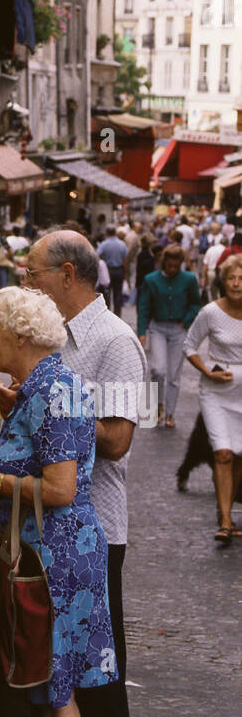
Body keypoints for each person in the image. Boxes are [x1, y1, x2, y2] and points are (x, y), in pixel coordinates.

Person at [0, 229, 146, 717]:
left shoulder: (114, 341)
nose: (26, 283)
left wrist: (60, 412)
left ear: (66, 274)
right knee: (54, 662)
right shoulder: (55, 339)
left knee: (96, 671)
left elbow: (117, 440)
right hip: (50, 529)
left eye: (32, 273)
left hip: (95, 529)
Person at [0, 287, 116, 717]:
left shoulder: (54, 389)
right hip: (53, 552)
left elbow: (60, 489)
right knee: (51, 687)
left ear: (22, 337)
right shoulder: (39, 386)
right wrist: (13, 414)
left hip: (57, 558)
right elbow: (40, 451)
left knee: (57, 691)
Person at [183, 257, 242, 544]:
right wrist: (207, 371)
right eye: (232, 278)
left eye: (241, 278)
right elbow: (189, 345)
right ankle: (226, 522)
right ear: (223, 281)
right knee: (223, 452)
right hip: (216, 391)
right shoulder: (210, 312)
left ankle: (226, 511)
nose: (237, 283)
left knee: (239, 454)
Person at [137, 243, 201, 428]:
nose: (172, 269)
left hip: (178, 329)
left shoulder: (189, 279)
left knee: (174, 374)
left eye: (176, 266)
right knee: (158, 369)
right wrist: (142, 331)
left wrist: (185, 321)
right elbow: (144, 306)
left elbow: (196, 304)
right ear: (164, 262)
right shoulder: (151, 280)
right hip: (158, 326)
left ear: (180, 263)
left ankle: (170, 413)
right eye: (169, 265)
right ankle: (158, 406)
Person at [97, 226, 128, 316]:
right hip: (119, 271)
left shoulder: (104, 244)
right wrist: (125, 273)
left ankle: (107, 314)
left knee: (107, 294)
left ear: (107, 233)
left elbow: (97, 255)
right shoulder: (122, 244)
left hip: (107, 271)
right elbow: (125, 260)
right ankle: (117, 315)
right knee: (118, 293)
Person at [203, 229, 227, 301]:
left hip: (211, 272)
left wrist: (204, 277)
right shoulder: (226, 250)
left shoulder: (211, 249)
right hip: (222, 272)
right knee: (222, 293)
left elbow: (205, 265)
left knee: (213, 294)